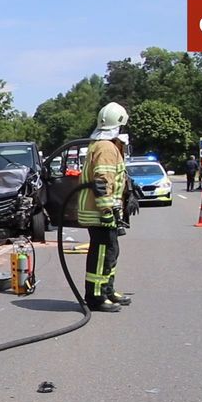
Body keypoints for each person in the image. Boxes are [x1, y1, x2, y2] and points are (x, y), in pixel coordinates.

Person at [77, 102, 132, 312]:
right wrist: (107, 211)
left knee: (111, 251)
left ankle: (107, 290)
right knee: (102, 254)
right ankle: (96, 297)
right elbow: (103, 181)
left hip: (102, 211)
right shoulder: (106, 148)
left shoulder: (103, 145)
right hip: (99, 213)